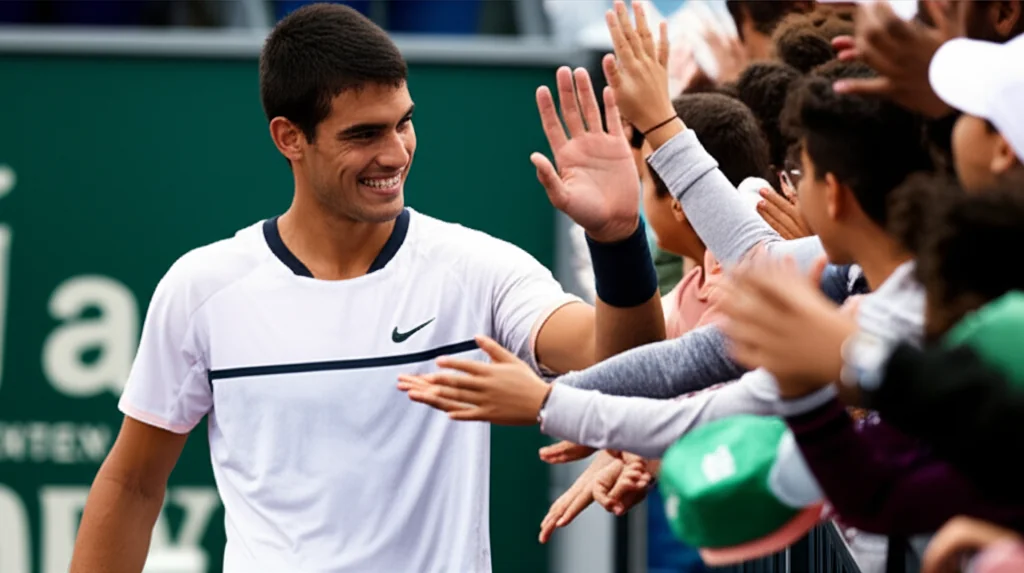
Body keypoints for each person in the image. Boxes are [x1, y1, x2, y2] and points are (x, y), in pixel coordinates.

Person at [68, 4, 666, 572]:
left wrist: (617, 238)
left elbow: (622, 365)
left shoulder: (476, 267)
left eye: (404, 123)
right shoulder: (201, 289)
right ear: (289, 138)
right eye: (364, 134)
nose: (395, 153)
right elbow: (132, 483)